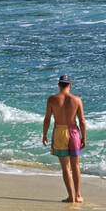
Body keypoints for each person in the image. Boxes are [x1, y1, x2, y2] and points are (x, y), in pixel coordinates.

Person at [42, 74, 87, 203]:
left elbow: (47, 119)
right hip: (74, 132)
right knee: (75, 165)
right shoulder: (77, 100)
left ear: (58, 85)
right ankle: (78, 196)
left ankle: (70, 196)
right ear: (70, 85)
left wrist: (44, 134)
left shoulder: (52, 99)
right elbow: (82, 121)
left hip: (60, 131)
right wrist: (84, 137)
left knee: (65, 167)